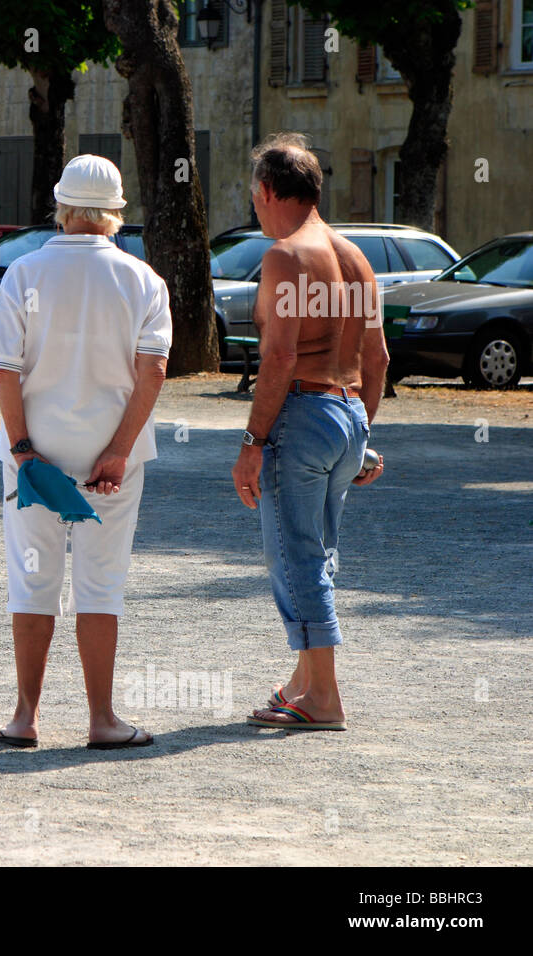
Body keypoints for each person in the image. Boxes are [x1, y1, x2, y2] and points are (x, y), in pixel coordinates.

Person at [0, 154, 171, 749]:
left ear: (62, 209)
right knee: (101, 585)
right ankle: (102, 720)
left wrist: (22, 450)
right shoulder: (143, 280)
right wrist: (118, 450)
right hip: (111, 458)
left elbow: (5, 369)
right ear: (116, 215)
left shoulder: (23, 273)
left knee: (31, 581)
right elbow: (154, 370)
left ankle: (25, 717)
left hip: (33, 454)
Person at [230, 132, 387, 731]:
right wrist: (361, 431)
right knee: (316, 552)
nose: (255, 204)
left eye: (254, 194)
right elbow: (378, 360)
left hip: (304, 414)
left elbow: (279, 359)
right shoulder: (356, 259)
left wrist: (252, 444)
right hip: (348, 413)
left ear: (269, 191)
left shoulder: (286, 256)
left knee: (295, 556)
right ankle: (302, 681)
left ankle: (323, 697)